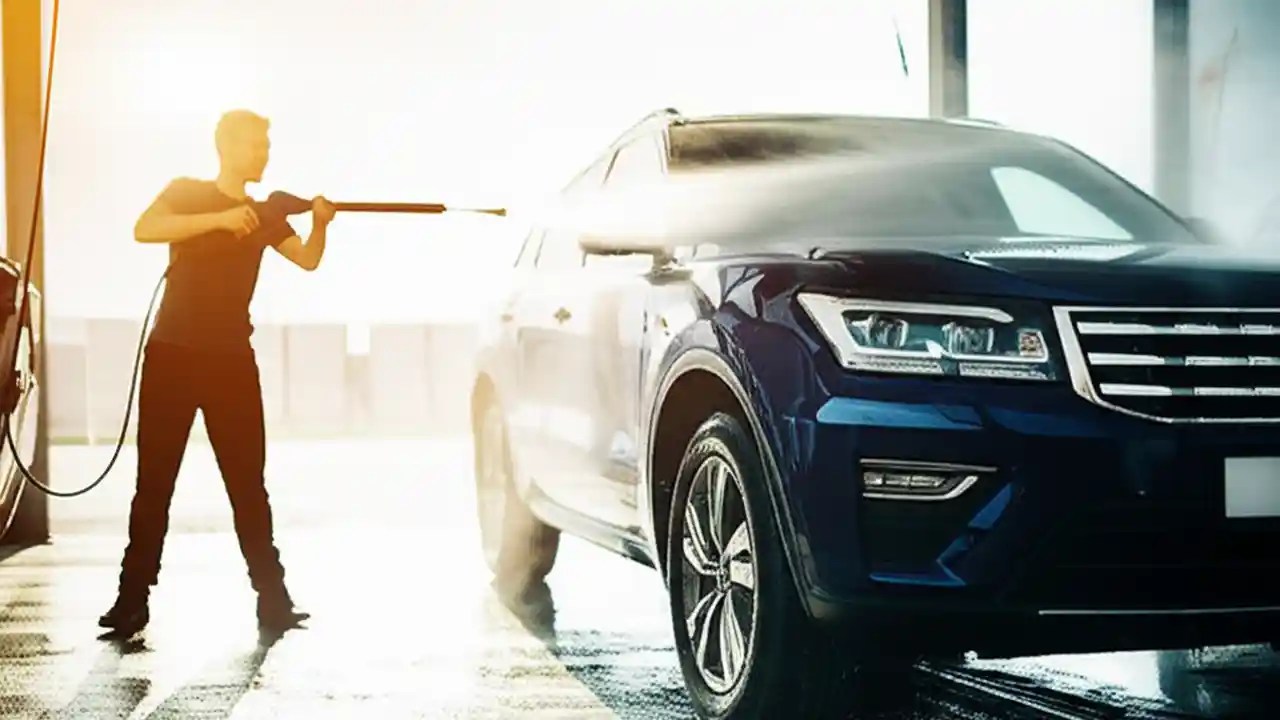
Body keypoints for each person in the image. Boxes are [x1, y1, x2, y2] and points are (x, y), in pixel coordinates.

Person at [98, 109, 337, 635]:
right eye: (257, 145)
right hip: (172, 357)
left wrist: (319, 224)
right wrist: (221, 220)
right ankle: (131, 600)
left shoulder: (267, 213)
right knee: (154, 484)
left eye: (267, 146)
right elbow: (145, 228)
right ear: (227, 146)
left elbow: (308, 260)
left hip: (231, 361)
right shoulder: (187, 191)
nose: (264, 154)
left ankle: (272, 600)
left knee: (248, 485)